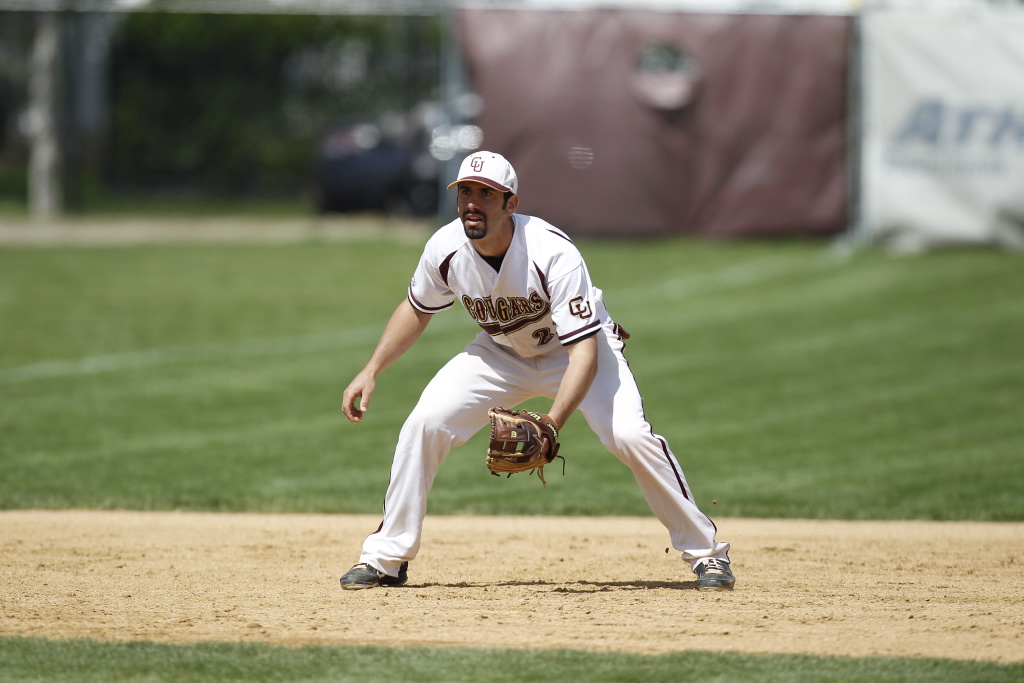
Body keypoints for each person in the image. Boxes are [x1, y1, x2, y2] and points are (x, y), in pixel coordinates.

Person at [339, 151, 734, 591]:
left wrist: (551, 424)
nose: (472, 202)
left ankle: (707, 555)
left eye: (486, 194)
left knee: (629, 435)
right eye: (465, 191)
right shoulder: (444, 248)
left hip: (577, 351)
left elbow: (584, 351)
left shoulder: (551, 252)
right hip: (500, 353)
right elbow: (416, 309)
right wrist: (371, 369)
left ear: (511, 204)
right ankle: (386, 558)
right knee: (425, 423)